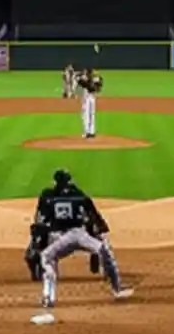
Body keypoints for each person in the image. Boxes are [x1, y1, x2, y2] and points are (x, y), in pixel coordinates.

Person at [34, 169, 132, 310]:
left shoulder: (47, 196)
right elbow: (94, 216)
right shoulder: (78, 195)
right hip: (79, 235)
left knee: (47, 258)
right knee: (104, 248)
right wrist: (98, 232)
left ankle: (48, 296)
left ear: (55, 182)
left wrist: (39, 240)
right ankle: (117, 288)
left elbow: (41, 220)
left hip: (58, 238)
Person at [77, 68, 102, 139]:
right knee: (92, 114)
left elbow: (81, 83)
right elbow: (99, 87)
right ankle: (92, 132)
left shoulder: (87, 80)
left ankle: (87, 132)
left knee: (85, 115)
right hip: (92, 98)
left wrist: (82, 78)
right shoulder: (95, 79)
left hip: (87, 98)